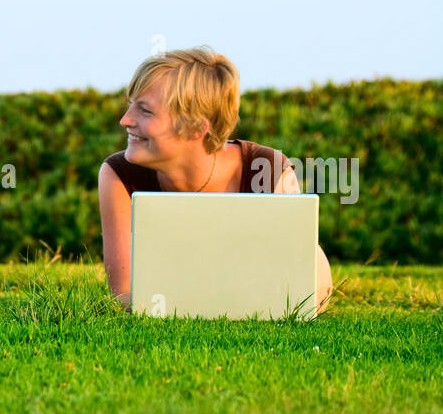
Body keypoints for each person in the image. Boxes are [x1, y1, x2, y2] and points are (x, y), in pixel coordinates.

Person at [99, 47, 333, 314]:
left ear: (198, 127)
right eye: (131, 105)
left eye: (145, 111)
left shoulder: (266, 171)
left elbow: (299, 296)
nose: (125, 120)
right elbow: (124, 295)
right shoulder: (119, 174)